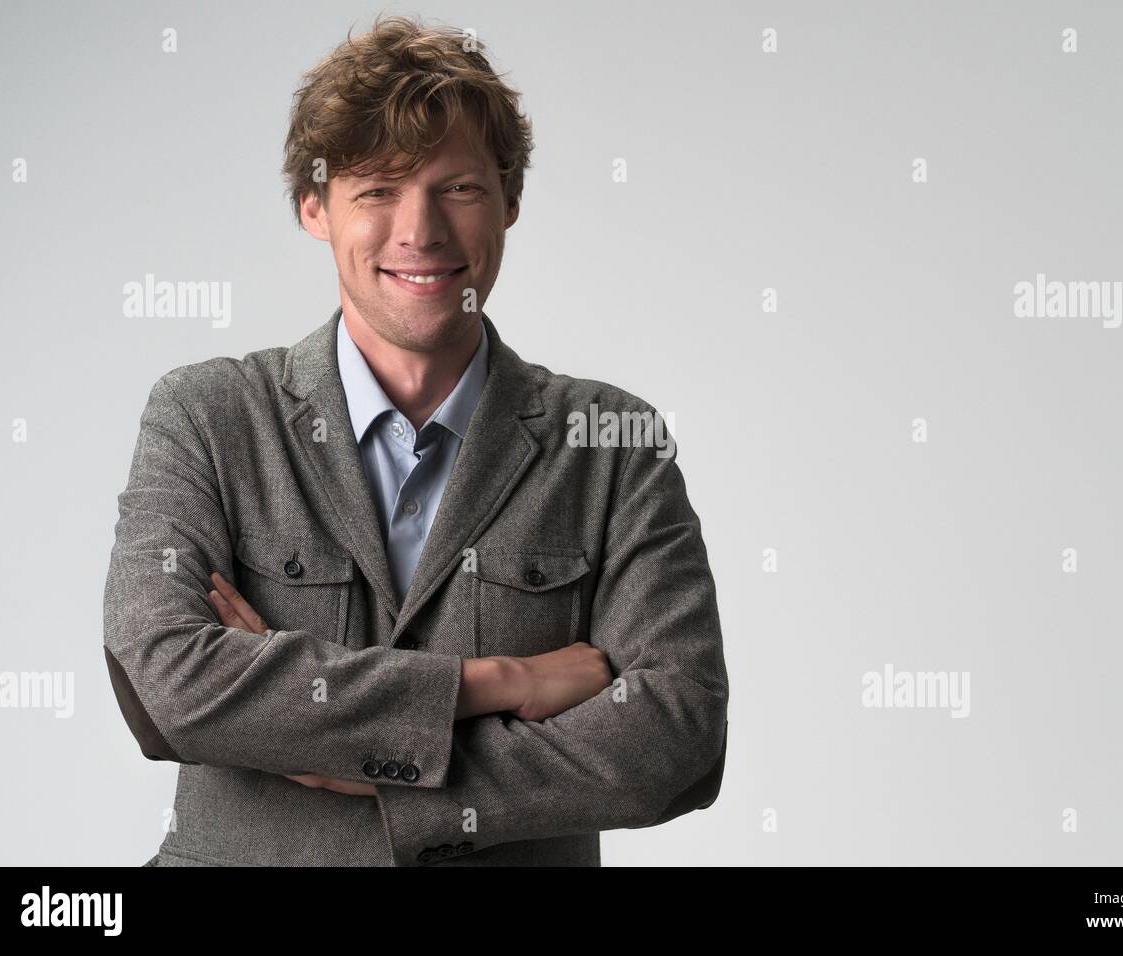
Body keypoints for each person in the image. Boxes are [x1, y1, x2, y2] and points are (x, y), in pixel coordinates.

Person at [103, 14, 728, 867]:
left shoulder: (614, 446)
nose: (420, 230)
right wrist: (498, 683)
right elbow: (167, 677)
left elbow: (677, 730)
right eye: (377, 191)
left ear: (510, 201)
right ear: (314, 208)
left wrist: (370, 766)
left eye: (459, 188)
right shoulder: (207, 416)